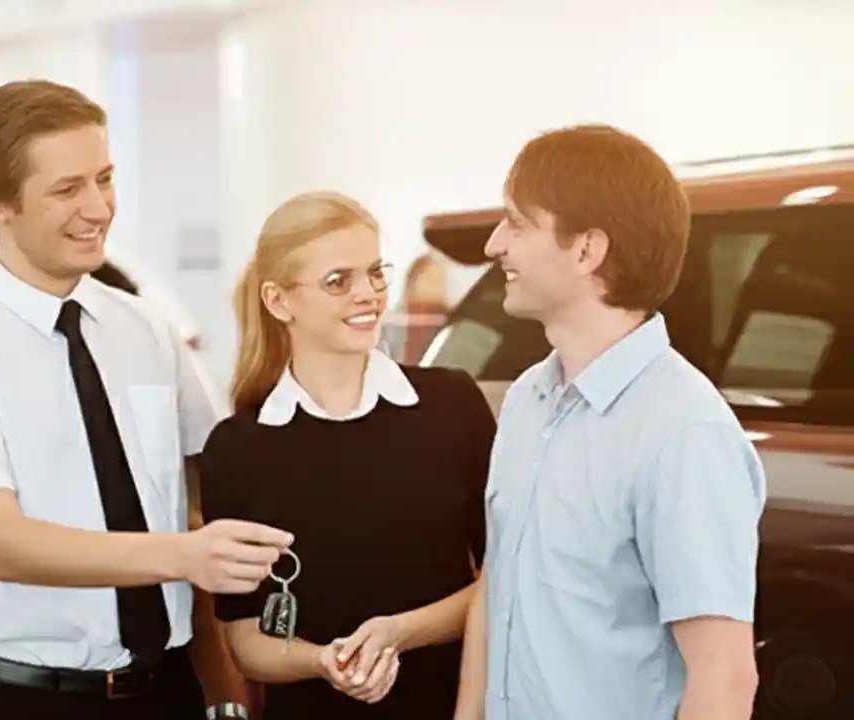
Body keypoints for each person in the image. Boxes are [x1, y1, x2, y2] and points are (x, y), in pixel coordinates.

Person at [0, 79, 293, 720]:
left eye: (104, 179)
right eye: (66, 189)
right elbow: (0, 542)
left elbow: (209, 491)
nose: (99, 207)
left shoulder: (146, 329)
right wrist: (183, 556)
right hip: (31, 702)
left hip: (169, 693)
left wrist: (224, 694)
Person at [454, 125, 766, 720]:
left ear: (586, 250)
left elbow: (723, 678)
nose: (496, 245)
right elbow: (496, 593)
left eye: (517, 224)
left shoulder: (684, 432)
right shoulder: (526, 401)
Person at [199, 191, 496, 719]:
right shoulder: (237, 449)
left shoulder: (452, 407)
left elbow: (503, 578)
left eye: (375, 273)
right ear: (278, 301)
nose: (368, 295)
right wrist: (323, 661)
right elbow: (245, 636)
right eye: (339, 281)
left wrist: (398, 633)